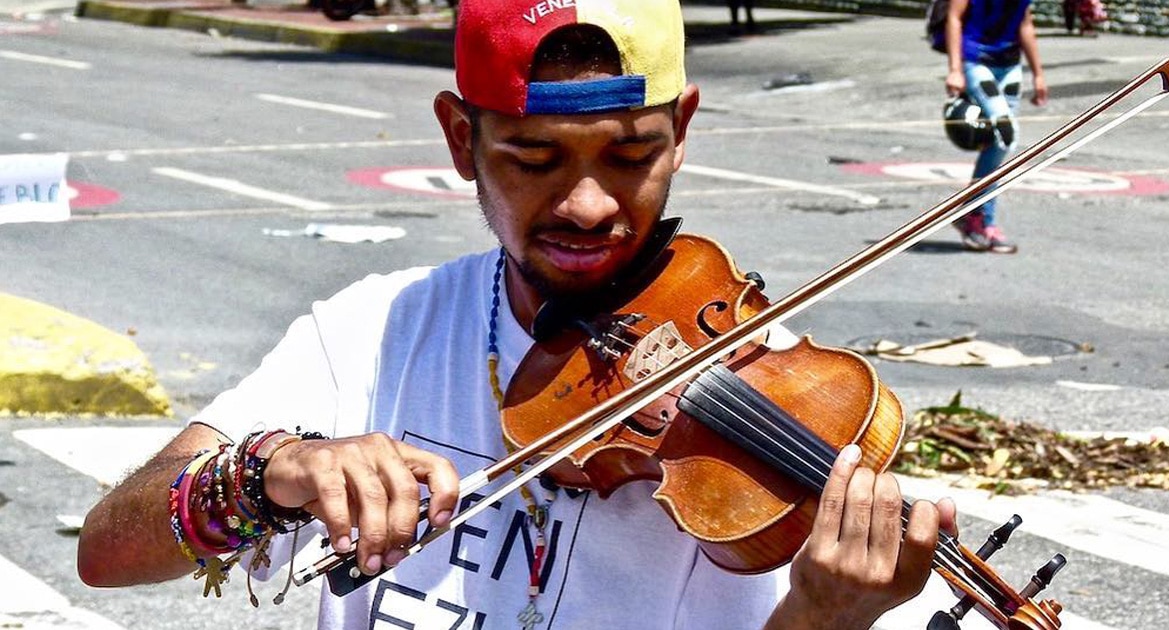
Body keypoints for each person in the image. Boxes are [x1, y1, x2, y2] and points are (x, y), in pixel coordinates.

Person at [76, 1, 957, 629]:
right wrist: (270, 468)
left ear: (683, 130)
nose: (586, 204)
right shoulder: (370, 331)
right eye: (533, 155)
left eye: (632, 154)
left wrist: (824, 618)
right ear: (461, 139)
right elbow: (109, 552)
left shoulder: (788, 396)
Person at [944, 0, 1049, 253]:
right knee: (1006, 135)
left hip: (1010, 64)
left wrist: (1038, 74)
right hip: (976, 60)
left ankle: (979, 219)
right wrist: (955, 69)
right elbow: (954, 17)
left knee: (1000, 142)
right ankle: (974, 213)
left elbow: (1024, 22)